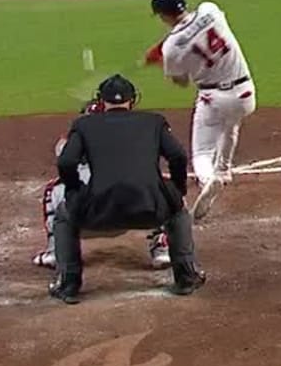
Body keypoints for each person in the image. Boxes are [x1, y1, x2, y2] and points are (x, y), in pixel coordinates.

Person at [48, 74, 203, 304]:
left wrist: (74, 191)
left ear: (101, 100)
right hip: (149, 209)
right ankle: (186, 277)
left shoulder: (84, 124)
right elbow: (178, 156)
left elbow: (66, 162)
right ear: (133, 100)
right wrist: (177, 190)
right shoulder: (154, 122)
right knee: (178, 210)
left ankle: (68, 283)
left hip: (97, 212)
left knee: (63, 216)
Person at [145, 0, 255, 222]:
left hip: (214, 99)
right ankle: (223, 170)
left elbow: (182, 81)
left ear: (163, 15)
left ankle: (208, 179)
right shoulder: (209, 9)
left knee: (202, 153)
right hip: (245, 93)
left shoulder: (172, 47)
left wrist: (161, 60)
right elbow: (197, 31)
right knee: (231, 124)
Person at [32, 96, 174, 271]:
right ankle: (161, 248)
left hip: (87, 220)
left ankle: (56, 252)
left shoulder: (71, 141)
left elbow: (65, 159)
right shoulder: (135, 138)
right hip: (137, 214)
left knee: (53, 190)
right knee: (158, 185)